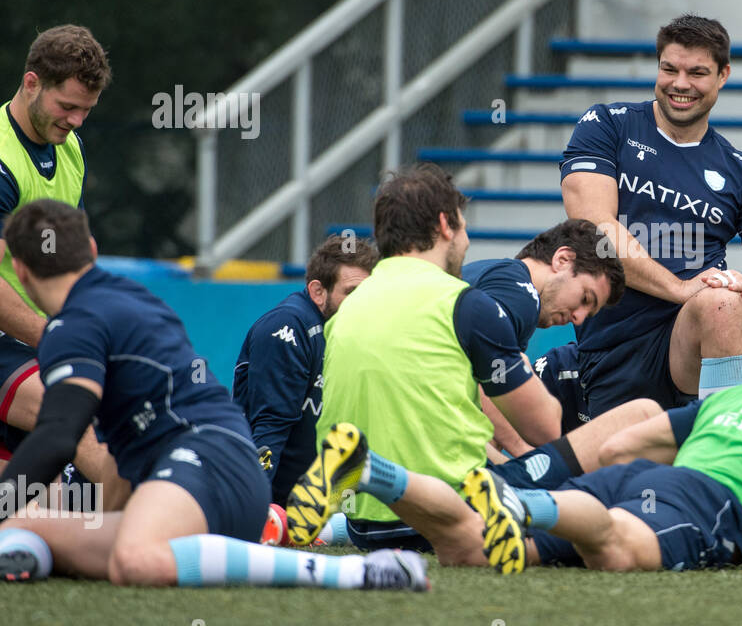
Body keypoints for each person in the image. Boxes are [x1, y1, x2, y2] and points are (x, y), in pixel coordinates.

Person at [285, 317, 742, 580]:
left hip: (628, 483)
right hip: (705, 503)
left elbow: (624, 442)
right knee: (617, 551)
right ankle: (523, 505)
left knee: (469, 549)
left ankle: (371, 470)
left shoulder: (735, 399)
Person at [0, 200, 425, 591]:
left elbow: (58, 435)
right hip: (220, 473)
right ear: (92, 249)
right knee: (30, 525)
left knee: (135, 558)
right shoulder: (131, 296)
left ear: (18, 269)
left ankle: (356, 571)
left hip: (204, 469)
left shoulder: (71, 326)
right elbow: (116, 451)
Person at [285, 164, 656, 550]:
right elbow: (543, 427)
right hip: (449, 514)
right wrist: (527, 447)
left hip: (366, 523)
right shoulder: (480, 301)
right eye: (463, 228)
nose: (466, 240)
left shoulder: (350, 305)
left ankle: (335, 516)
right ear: (447, 226)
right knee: (634, 432)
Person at [560, 14, 742, 418]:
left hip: (689, 342)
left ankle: (730, 451)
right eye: (669, 69)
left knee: (723, 303)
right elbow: (595, 229)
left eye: (697, 72)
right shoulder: (607, 125)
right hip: (611, 346)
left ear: (723, 75)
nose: (680, 84)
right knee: (623, 479)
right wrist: (678, 287)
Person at [0, 25, 119, 500]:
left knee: (54, 500)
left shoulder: (70, 147)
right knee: (77, 412)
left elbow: (74, 256)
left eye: (86, 111)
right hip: (11, 333)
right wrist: (57, 338)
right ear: (31, 83)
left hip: (35, 337)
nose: (76, 121)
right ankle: (168, 517)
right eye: (66, 106)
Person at [233, 234, 379, 506]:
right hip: (281, 498)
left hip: (333, 499)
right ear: (317, 291)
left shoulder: (360, 328)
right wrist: (253, 507)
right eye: (351, 293)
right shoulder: (288, 327)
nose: (363, 303)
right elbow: (269, 430)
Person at [462, 219, 625, 455]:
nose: (579, 318)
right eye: (585, 299)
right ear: (563, 260)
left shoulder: (494, 275)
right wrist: (523, 454)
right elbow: (486, 368)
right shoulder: (521, 292)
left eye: (589, 312)